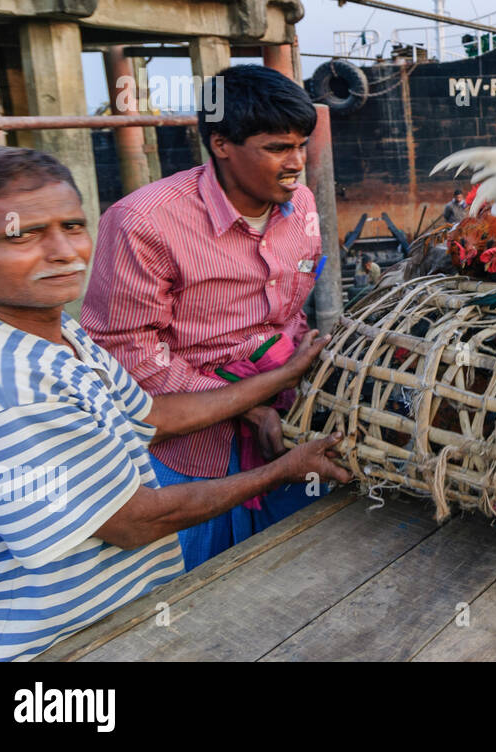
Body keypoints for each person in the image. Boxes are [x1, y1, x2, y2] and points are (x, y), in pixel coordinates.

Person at [0, 147, 349, 660]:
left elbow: (154, 414)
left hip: (111, 622)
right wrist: (283, 471)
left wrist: (279, 378)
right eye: (22, 235)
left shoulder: (59, 335)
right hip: (44, 649)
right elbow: (132, 522)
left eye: (72, 227)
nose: (64, 252)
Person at [81, 65, 328, 571]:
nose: (296, 163)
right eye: (279, 147)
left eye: (302, 145)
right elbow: (127, 361)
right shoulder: (142, 222)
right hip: (185, 455)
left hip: (289, 427)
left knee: (294, 579)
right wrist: (250, 404)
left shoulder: (301, 205)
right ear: (221, 144)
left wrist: (282, 393)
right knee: (187, 598)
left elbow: (292, 316)